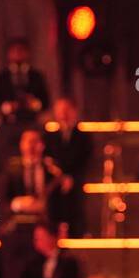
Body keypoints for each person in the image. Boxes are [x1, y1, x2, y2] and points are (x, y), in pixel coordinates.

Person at [42, 97, 92, 236]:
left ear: (74, 111)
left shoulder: (84, 137)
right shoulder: (49, 137)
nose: (63, 115)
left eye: (66, 110)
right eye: (60, 111)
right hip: (54, 188)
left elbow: (86, 161)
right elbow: (46, 160)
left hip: (76, 187)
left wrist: (71, 177)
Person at [0, 38, 49, 126]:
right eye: (14, 51)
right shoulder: (2, 77)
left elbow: (45, 101)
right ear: (8, 53)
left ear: (28, 53)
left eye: (21, 50)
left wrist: (33, 104)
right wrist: (8, 107)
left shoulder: (36, 76)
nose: (18, 53)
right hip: (7, 123)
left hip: (32, 122)